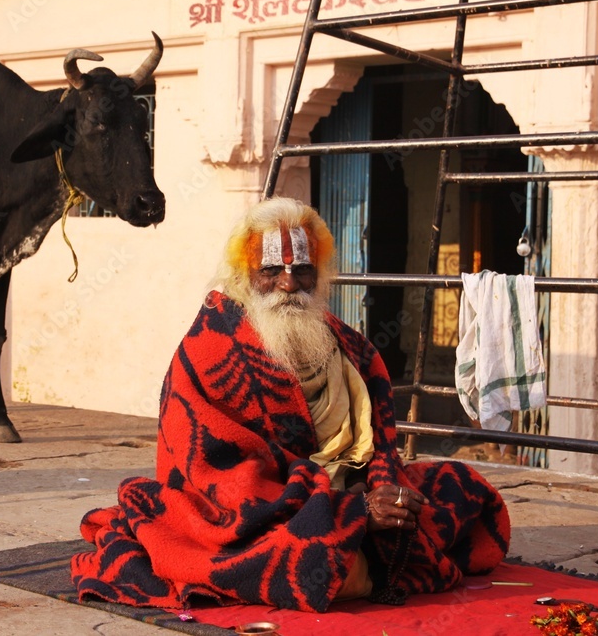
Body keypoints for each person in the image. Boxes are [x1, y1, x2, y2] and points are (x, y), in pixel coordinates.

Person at [71, 197, 510, 612]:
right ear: (244, 276)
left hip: (344, 497)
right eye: (270, 271)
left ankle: (360, 549)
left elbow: (382, 448)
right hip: (253, 513)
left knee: (461, 487)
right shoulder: (208, 351)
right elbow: (217, 480)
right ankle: (350, 558)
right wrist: (354, 513)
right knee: (327, 568)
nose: (288, 284)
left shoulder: (351, 348)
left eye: (302, 270)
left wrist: (384, 491)